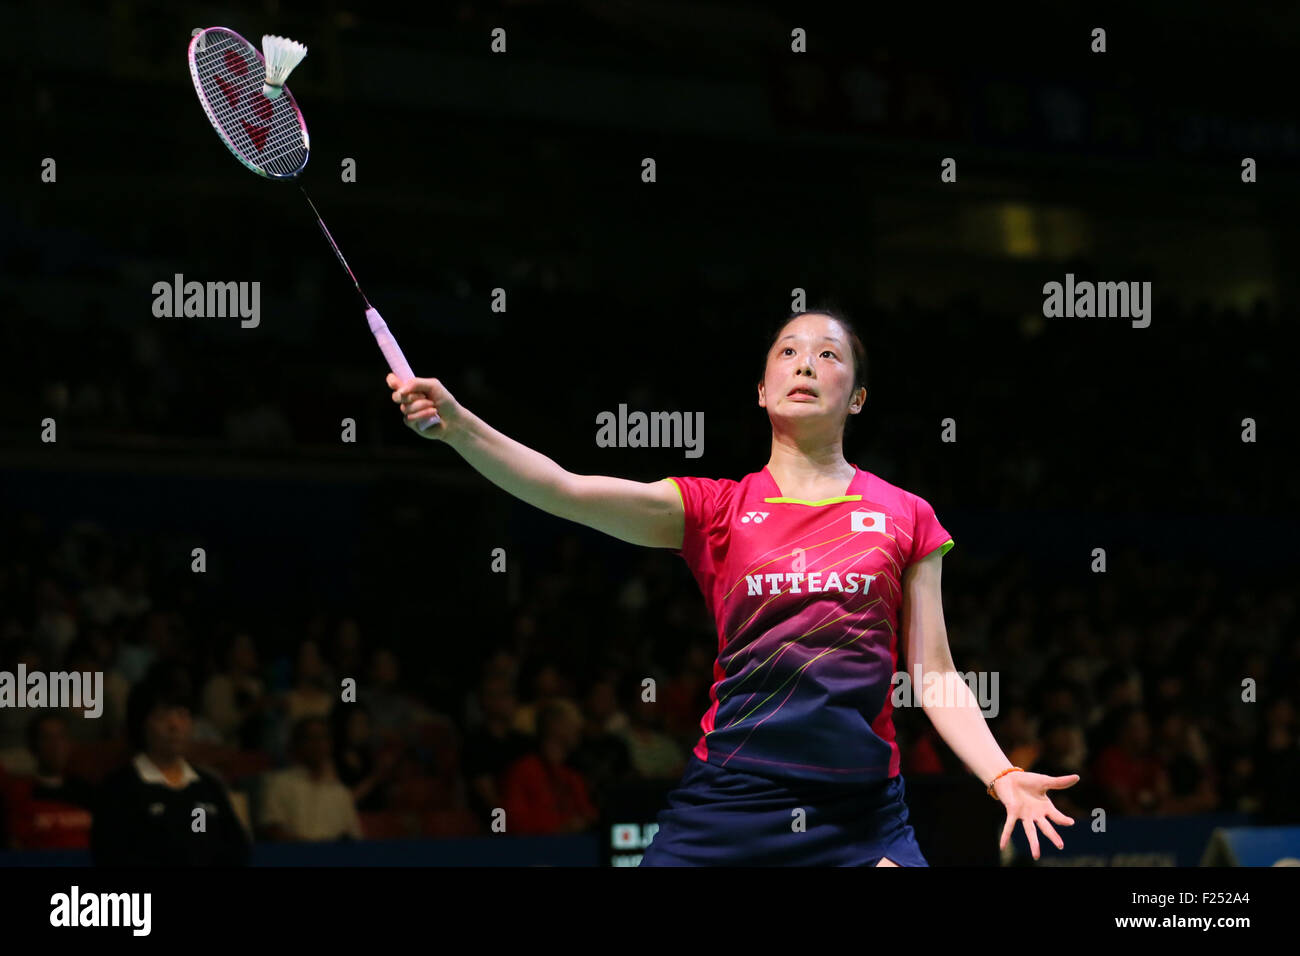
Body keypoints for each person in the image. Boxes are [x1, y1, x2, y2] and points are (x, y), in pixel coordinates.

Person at [386, 308, 1079, 865]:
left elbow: (934, 674)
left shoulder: (906, 515)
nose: (806, 361)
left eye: (829, 354)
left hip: (858, 814)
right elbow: (567, 489)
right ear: (760, 390)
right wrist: (459, 430)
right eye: (788, 351)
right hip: (729, 803)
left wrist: (1000, 773)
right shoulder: (715, 509)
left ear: (858, 397)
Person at [91, 664, 251, 866]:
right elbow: (111, 856)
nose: (174, 725)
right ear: (141, 725)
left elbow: (237, 850)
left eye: (182, 714)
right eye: (162, 716)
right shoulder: (119, 788)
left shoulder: (208, 787)